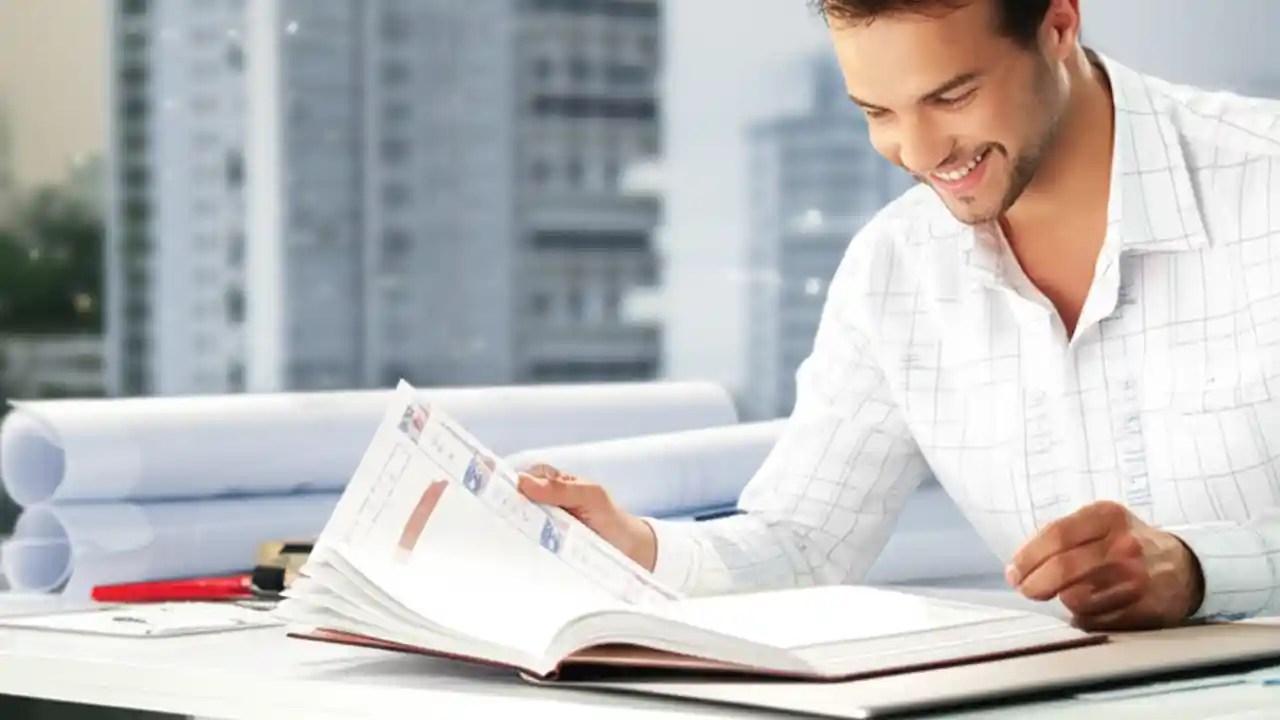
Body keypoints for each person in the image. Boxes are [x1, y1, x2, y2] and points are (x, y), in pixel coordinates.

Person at [518, 0, 1280, 630]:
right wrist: (635, 547)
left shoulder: (1263, 185)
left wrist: (1199, 570)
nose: (918, 152)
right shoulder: (897, 268)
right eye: (877, 111)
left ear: (1058, 23)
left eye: (951, 96)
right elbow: (804, 543)